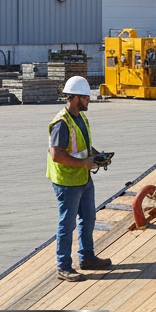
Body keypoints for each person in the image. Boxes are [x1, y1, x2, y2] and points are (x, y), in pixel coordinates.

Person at [46, 76, 112, 282]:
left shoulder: (80, 118)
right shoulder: (61, 123)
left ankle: (87, 258)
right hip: (67, 182)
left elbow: (82, 146)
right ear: (74, 98)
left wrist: (97, 156)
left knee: (88, 218)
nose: (88, 101)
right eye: (85, 98)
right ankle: (63, 267)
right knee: (67, 224)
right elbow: (56, 154)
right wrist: (84, 163)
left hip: (82, 178)